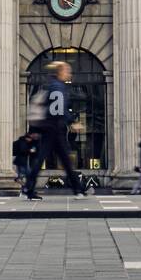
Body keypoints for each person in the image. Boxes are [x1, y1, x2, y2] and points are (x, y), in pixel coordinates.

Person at [23, 61, 84, 201]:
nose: (69, 73)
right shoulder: (58, 87)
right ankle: (78, 190)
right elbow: (58, 108)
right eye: (67, 71)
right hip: (55, 128)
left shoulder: (50, 85)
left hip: (49, 127)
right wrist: (72, 122)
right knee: (65, 160)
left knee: (45, 159)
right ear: (60, 72)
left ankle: (29, 188)